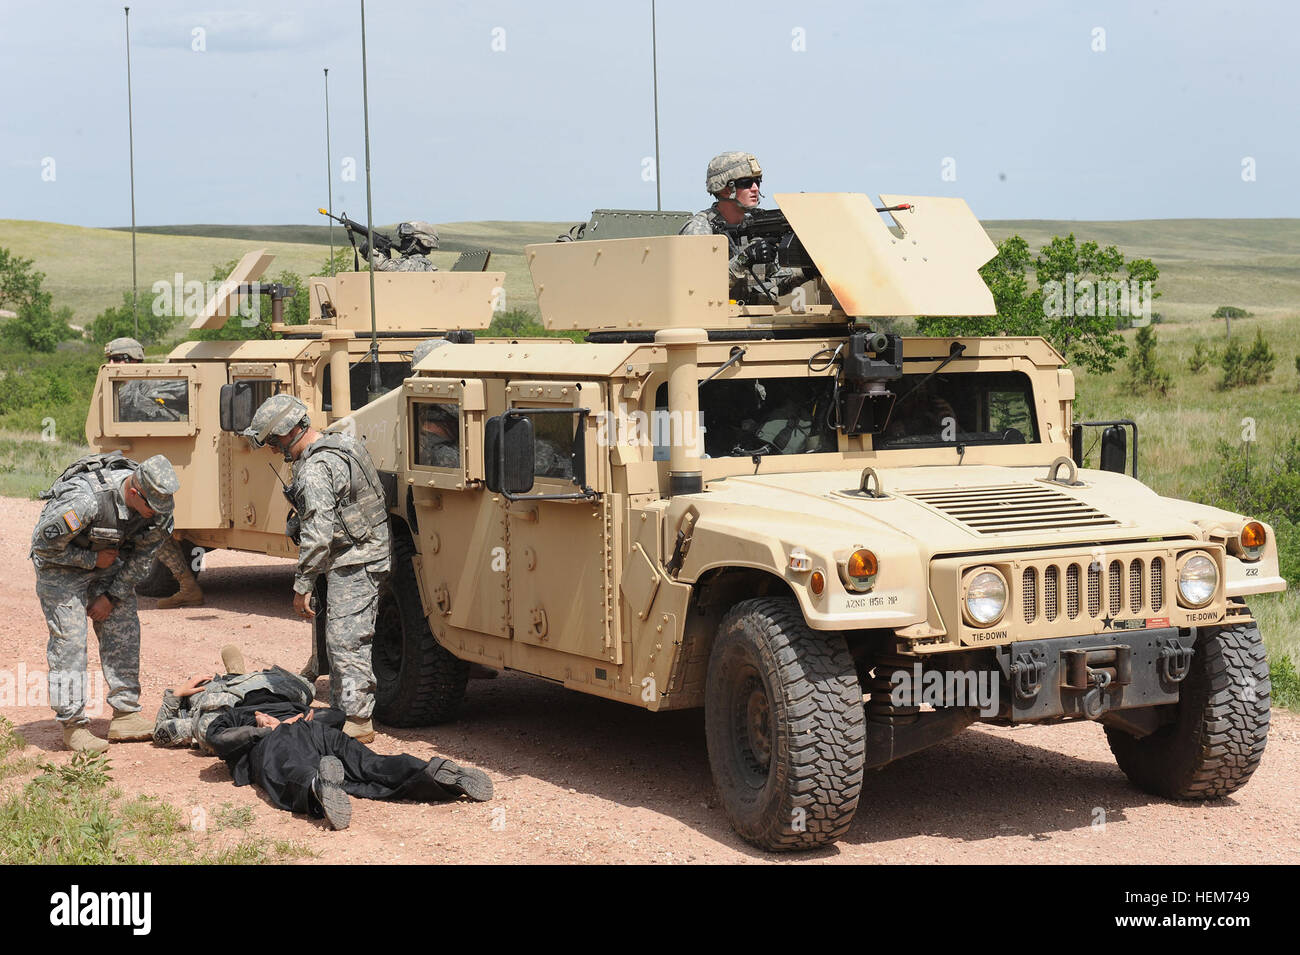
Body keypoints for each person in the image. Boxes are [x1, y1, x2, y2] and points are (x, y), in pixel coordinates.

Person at [155, 645, 492, 830]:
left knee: (293, 769)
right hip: (289, 730)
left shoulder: (252, 694)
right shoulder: (225, 707)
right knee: (368, 765)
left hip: (292, 730)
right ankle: (429, 774)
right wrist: (179, 693)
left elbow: (335, 715)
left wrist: (294, 719)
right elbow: (185, 736)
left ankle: (319, 787)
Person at [242, 394, 391, 743]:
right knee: (343, 636)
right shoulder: (340, 443)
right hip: (360, 554)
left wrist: (302, 585)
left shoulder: (314, 470)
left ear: (290, 430)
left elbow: (319, 536)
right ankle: (346, 711)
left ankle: (358, 719)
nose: (277, 449)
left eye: (276, 440)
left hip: (355, 559)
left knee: (345, 640)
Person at [31, 452, 180, 752]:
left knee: (124, 625)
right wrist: (91, 559)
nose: (155, 513)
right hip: (62, 566)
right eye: (150, 507)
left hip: (107, 564)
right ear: (134, 491)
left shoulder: (158, 509)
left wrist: (110, 597)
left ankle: (126, 714)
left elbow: (141, 560)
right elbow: (43, 548)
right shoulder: (85, 501)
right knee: (71, 639)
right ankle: (73, 726)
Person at [104, 337, 204, 609]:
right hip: (138, 470)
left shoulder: (152, 385)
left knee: (153, 529)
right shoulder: (122, 390)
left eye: (118, 359)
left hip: (151, 470)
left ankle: (186, 586)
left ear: (134, 361)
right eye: (111, 358)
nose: (112, 364)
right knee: (151, 530)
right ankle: (186, 586)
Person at [679, 151, 803, 303]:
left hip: (756, 322)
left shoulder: (757, 227)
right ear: (725, 188)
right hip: (716, 323)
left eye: (758, 181)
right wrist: (744, 259)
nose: (755, 188)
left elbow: (773, 283)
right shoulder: (700, 229)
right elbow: (696, 287)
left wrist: (807, 271)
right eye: (746, 183)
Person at [366, 220, 440, 272]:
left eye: (407, 239)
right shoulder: (426, 265)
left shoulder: (416, 264)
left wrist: (369, 250)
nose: (402, 242)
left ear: (421, 242)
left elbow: (382, 266)